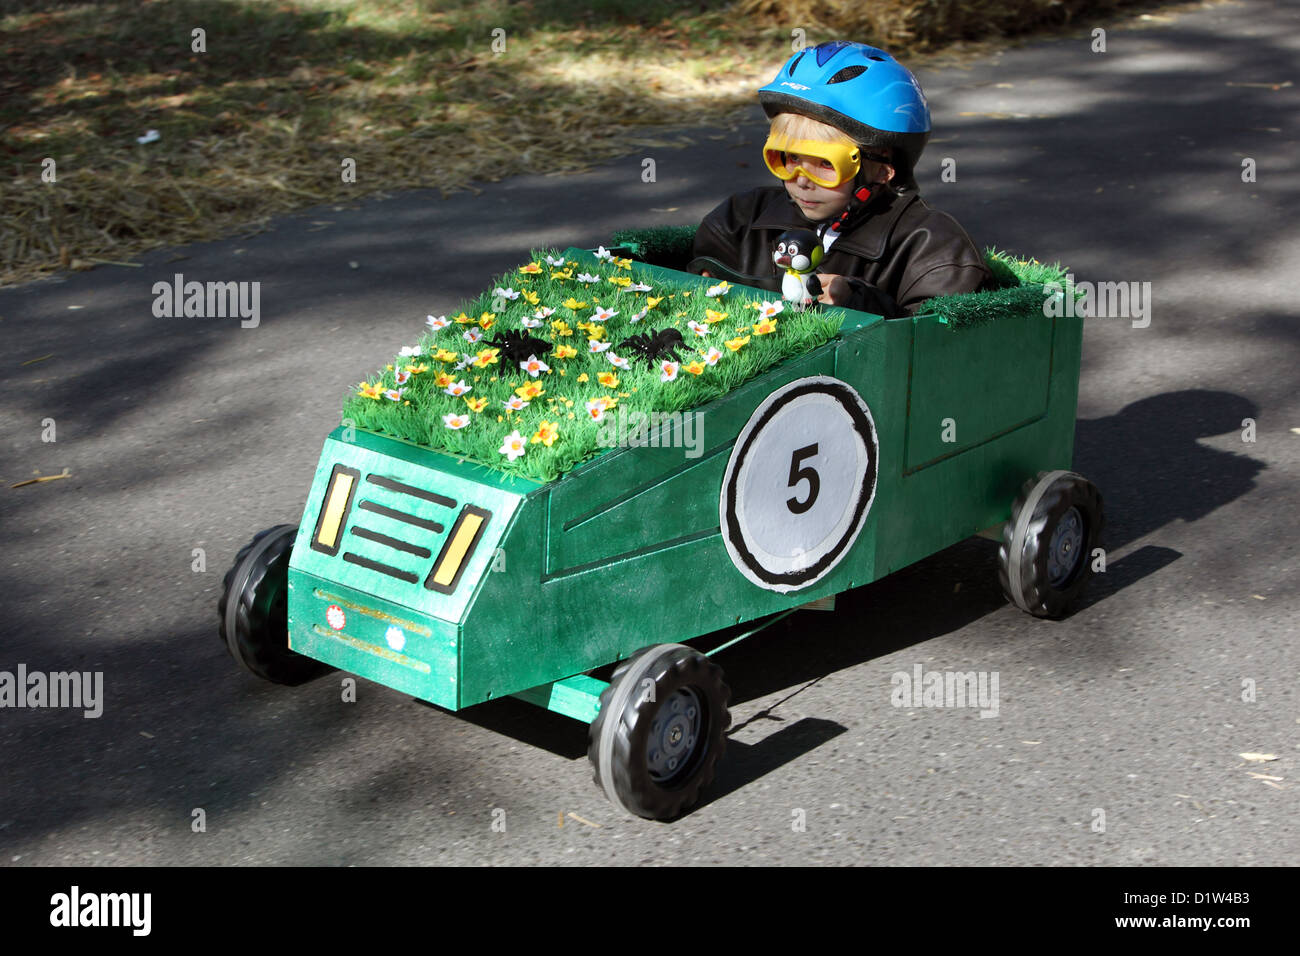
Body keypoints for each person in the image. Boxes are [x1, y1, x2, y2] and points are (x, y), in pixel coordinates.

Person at [689, 41, 991, 316]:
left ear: (884, 165)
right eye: (790, 158)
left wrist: (859, 302)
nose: (802, 180)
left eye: (824, 162)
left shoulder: (932, 246)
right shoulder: (740, 221)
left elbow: (938, 344)